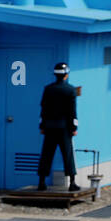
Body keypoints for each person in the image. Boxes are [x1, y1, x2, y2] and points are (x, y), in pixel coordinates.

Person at [38, 61, 80, 192]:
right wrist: (74, 128)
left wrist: (42, 125)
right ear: (66, 75)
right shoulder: (70, 90)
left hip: (49, 127)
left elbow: (43, 109)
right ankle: (72, 183)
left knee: (46, 154)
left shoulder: (48, 89)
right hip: (64, 128)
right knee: (68, 155)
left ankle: (41, 182)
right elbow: (72, 112)